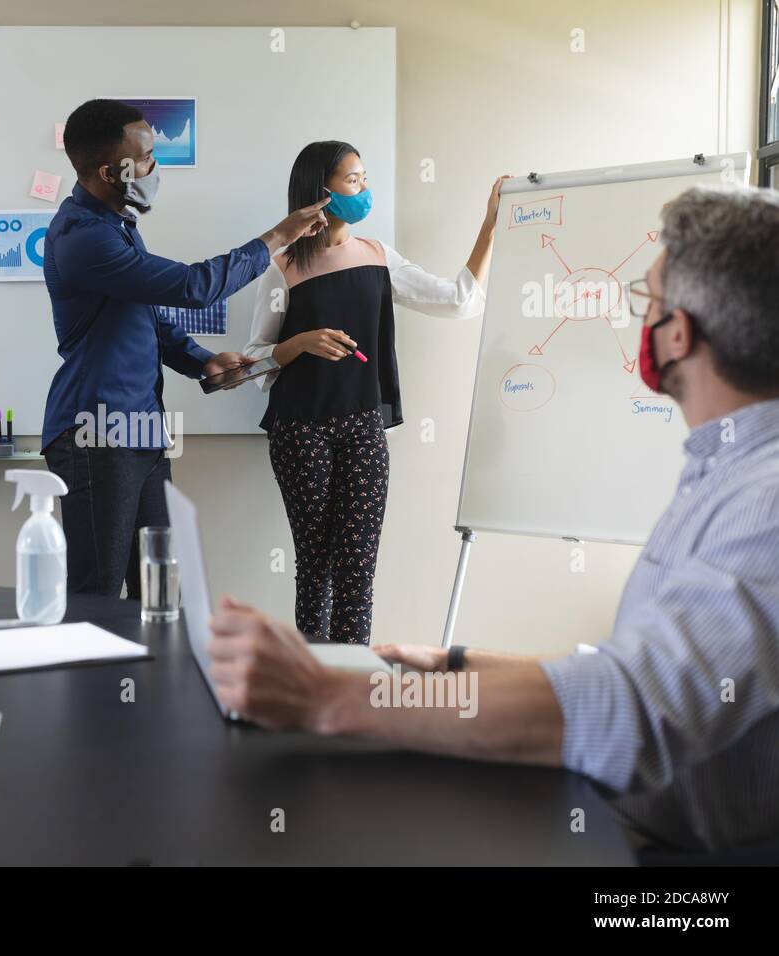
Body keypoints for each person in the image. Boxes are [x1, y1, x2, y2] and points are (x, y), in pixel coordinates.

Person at [207, 184, 779, 853]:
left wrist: (329, 699)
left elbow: (623, 711)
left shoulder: (763, 504)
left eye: (645, 301)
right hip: (645, 824)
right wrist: (461, 662)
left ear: (679, 335)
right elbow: (639, 670)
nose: (639, 318)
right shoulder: (723, 467)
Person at [41, 99, 329, 598]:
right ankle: (98, 680)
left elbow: (146, 316)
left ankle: (145, 680)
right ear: (111, 171)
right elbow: (195, 287)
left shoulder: (119, 226)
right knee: (99, 595)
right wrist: (279, 237)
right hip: (96, 435)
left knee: (159, 588)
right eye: (148, 157)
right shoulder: (83, 238)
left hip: (141, 431)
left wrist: (201, 359)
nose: (156, 167)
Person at [244, 140, 504, 643]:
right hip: (299, 431)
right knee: (314, 568)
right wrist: (298, 342)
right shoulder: (281, 268)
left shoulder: (379, 257)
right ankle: (315, 684)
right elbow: (253, 363)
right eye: (354, 180)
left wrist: (489, 224)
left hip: (363, 428)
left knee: (357, 570)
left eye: (365, 178)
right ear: (321, 191)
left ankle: (352, 686)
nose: (365, 189)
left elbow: (459, 301)